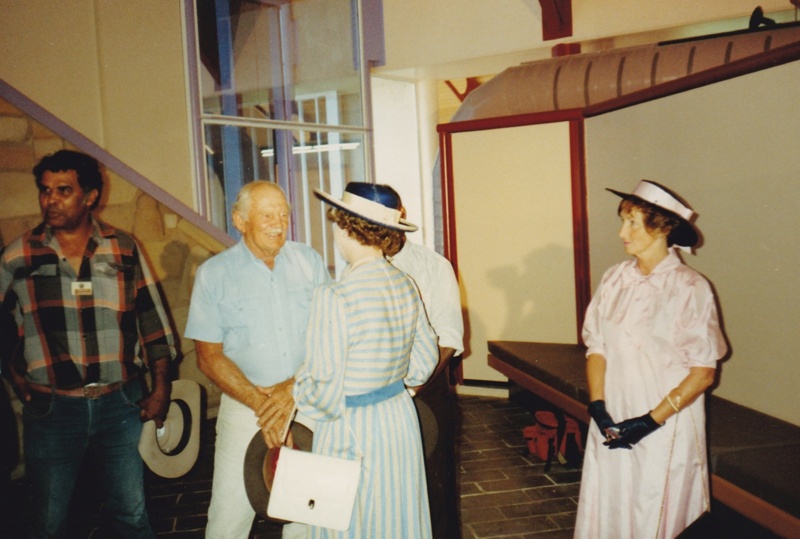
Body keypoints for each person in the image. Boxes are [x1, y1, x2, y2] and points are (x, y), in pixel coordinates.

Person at [0, 150, 176, 538]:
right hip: (53, 413)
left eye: (64, 190)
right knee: (47, 522)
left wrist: (161, 388)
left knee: (130, 514)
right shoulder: (18, 256)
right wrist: (13, 375)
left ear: (91, 196)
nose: (51, 200)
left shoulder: (124, 249)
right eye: (45, 191)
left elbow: (153, 323)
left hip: (121, 406)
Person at [574, 180, 728, 539]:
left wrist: (648, 422)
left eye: (631, 222)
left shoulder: (690, 288)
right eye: (623, 221)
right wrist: (597, 405)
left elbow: (703, 373)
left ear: (661, 228)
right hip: (612, 415)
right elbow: (596, 346)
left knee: (652, 506)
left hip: (665, 422)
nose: (621, 233)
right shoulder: (615, 279)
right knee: (610, 501)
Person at [291, 182, 439, 537]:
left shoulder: (335, 295)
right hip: (397, 419)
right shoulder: (405, 283)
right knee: (395, 518)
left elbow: (323, 391)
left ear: (345, 227)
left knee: (348, 523)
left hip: (349, 425)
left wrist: (299, 390)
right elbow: (424, 359)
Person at [184, 180, 329, 539]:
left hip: (307, 401)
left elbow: (330, 335)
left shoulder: (308, 261)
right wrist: (264, 405)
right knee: (229, 517)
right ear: (240, 220)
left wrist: (292, 390)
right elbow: (208, 356)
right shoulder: (214, 275)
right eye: (266, 215)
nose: (278, 223)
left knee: (307, 516)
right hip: (245, 410)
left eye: (283, 214)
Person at [383, 188, 464, 538]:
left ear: (401, 214)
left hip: (425, 394)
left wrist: (415, 385)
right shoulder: (359, 271)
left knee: (434, 488)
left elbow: (448, 338)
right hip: (379, 396)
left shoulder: (434, 267)